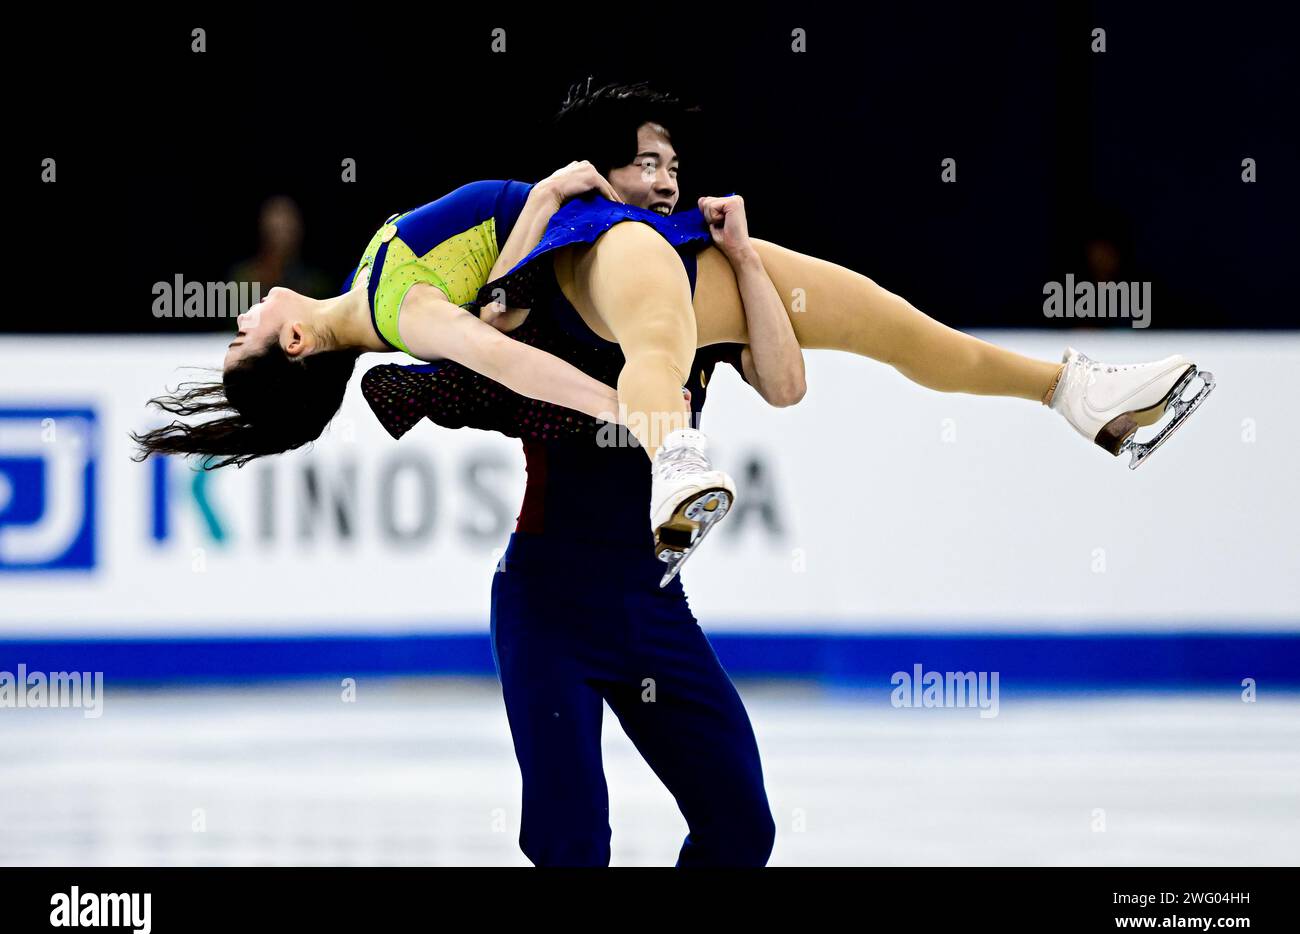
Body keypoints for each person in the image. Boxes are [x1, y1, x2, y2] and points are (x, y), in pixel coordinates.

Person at [131, 82, 1215, 579]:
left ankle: (1073, 392)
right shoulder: (393, 311)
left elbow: (495, 299)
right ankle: (676, 455)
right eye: (239, 340)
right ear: (290, 346)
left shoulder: (370, 280)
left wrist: (572, 197)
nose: (241, 315)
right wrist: (631, 410)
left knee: (901, 330)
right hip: (597, 258)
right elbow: (503, 341)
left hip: (648, 240)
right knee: (658, 344)